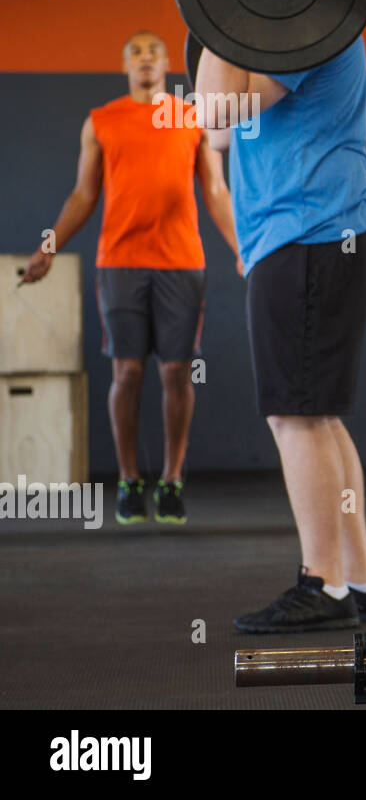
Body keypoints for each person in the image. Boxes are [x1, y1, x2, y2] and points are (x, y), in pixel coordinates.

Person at [195, 0, 366, 633]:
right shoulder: (291, 27)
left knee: (296, 417)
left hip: (312, 231)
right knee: (318, 416)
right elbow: (219, 122)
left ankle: (324, 584)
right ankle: (363, 581)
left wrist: (216, 3)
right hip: (309, 233)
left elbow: (213, 110)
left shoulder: (314, 24)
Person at [19, 31, 240, 526]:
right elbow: (82, 195)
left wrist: (241, 249)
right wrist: (47, 247)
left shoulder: (193, 117)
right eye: (135, 51)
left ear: (166, 63)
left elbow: (218, 192)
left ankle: (172, 480)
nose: (145, 58)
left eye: (153, 51)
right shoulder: (101, 121)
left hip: (182, 263)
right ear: (125, 64)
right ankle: (127, 479)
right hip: (119, 262)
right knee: (129, 373)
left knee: (175, 373)